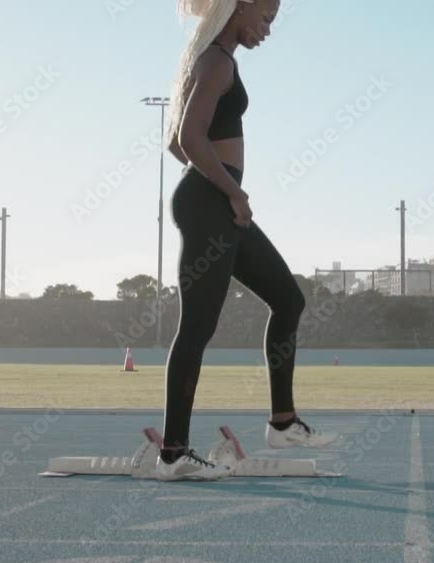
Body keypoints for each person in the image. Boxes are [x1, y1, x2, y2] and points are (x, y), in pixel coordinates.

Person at [156, 0, 336, 481]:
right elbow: (189, 139)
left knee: (289, 299)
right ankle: (174, 453)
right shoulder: (217, 60)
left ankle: (282, 423)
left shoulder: (215, 60)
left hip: (214, 201)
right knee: (197, 327)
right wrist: (231, 190)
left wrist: (221, 189)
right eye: (267, 18)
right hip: (213, 203)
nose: (268, 30)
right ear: (242, 7)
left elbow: (176, 142)